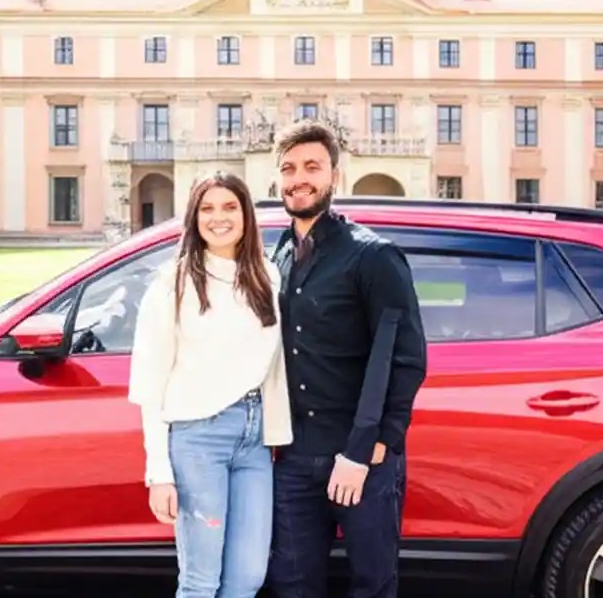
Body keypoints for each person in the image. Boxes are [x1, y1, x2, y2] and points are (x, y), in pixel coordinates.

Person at [265, 121, 427, 598]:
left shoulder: (373, 257)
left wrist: (371, 448)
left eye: (312, 167)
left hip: (362, 456)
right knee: (292, 585)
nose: (300, 178)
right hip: (294, 460)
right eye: (289, 168)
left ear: (335, 174)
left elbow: (405, 358)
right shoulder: (278, 256)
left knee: (372, 586)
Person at [127, 171, 293, 598]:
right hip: (198, 438)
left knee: (248, 576)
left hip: (255, 441)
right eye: (208, 208)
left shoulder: (266, 278)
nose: (219, 218)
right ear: (194, 218)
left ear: (246, 215)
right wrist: (158, 473)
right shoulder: (172, 284)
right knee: (202, 580)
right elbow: (150, 383)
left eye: (230, 207)